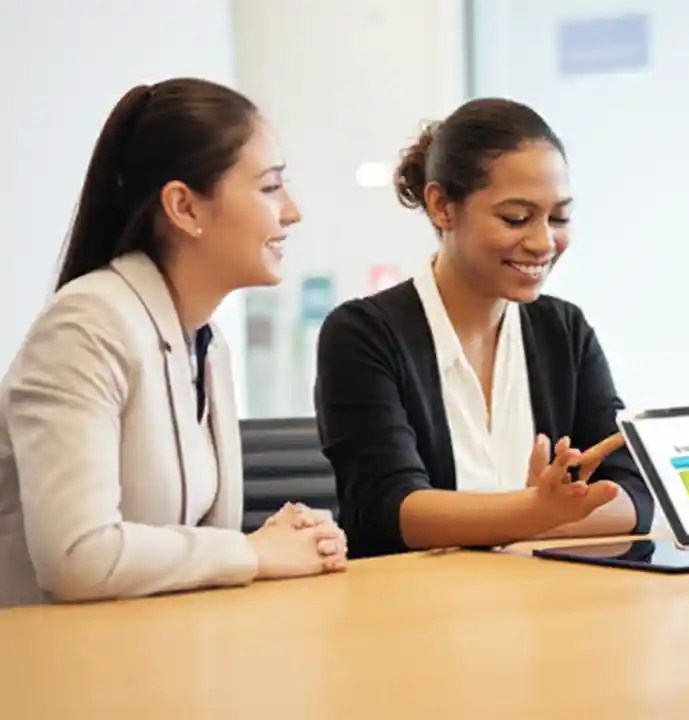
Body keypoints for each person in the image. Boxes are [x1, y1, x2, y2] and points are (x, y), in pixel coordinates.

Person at [0, 78, 348, 608]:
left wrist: (287, 539)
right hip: (50, 670)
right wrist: (253, 554)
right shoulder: (84, 327)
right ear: (185, 208)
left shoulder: (205, 342)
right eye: (270, 187)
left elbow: (188, 541)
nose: (292, 211)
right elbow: (77, 559)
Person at [314, 98, 654, 558]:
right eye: (516, 218)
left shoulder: (563, 331)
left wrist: (531, 518)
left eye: (558, 218)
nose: (543, 242)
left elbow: (633, 496)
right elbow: (395, 512)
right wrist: (541, 511)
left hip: (548, 609)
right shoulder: (363, 334)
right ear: (441, 206)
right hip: (411, 616)